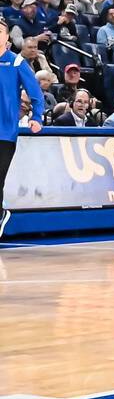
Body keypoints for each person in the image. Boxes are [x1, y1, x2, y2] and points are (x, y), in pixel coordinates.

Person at [0, 18, 44, 239]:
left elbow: (35, 92)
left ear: (7, 37)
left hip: (5, 132)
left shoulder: (16, 62)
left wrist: (37, 117)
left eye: (0, 31)